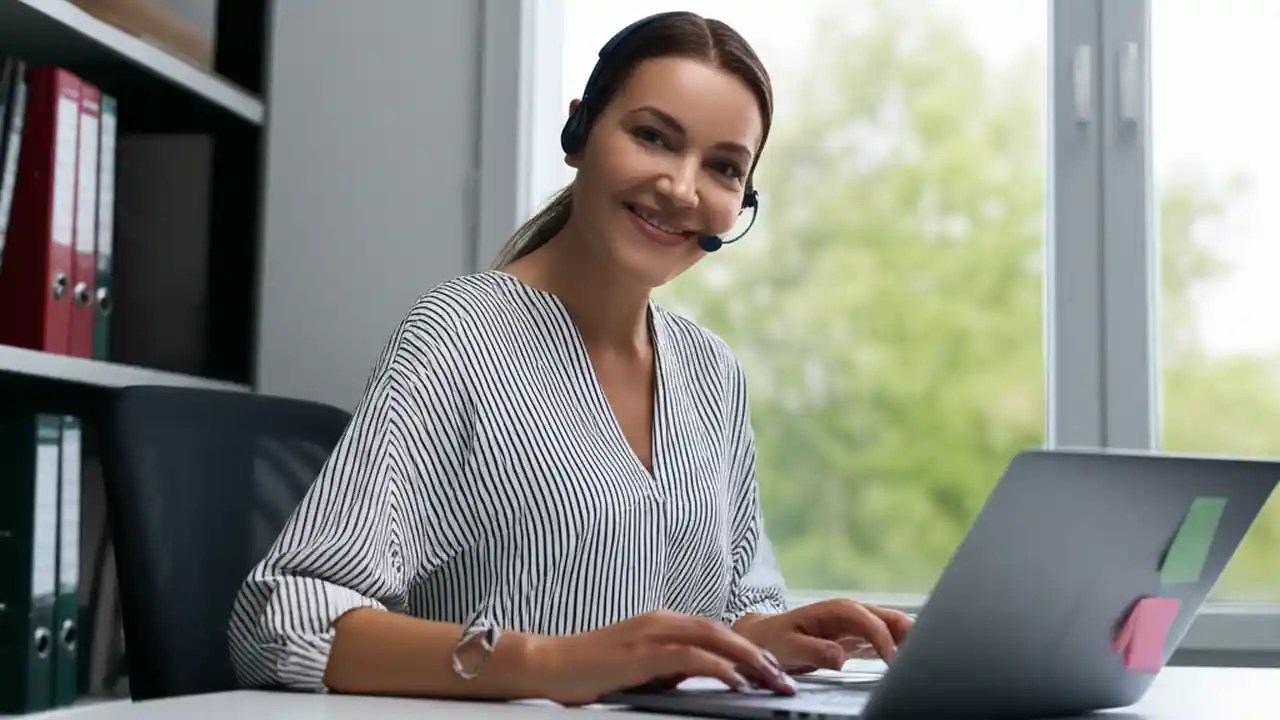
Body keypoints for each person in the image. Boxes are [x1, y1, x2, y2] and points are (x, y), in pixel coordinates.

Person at [227, 10, 912, 707]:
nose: (681, 187)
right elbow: (280, 621)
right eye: (652, 136)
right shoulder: (461, 337)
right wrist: (551, 663)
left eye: (723, 168)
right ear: (578, 133)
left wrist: (760, 636)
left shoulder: (712, 373)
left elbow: (733, 600)